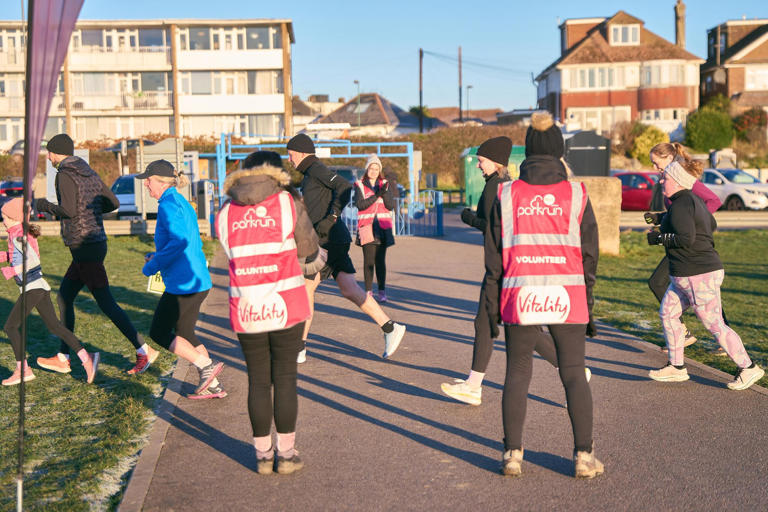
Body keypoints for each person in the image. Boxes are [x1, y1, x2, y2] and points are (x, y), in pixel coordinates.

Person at [484, 111, 603, 478]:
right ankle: (583, 456)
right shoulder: (576, 194)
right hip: (568, 295)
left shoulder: (506, 194)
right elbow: (589, 255)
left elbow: (493, 258)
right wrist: (589, 304)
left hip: (519, 295)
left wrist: (492, 307)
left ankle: (512, 454)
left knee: (517, 373)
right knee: (573, 374)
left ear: (529, 149)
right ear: (559, 150)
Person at [441, 136, 579, 407]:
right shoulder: (508, 185)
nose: (478, 165)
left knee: (484, 322)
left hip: (502, 267)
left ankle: (473, 386)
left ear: (495, 162)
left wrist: (469, 218)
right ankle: (573, 371)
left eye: (481, 161)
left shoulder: (495, 187)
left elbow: (493, 228)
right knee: (525, 326)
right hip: (515, 265)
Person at [216, 151, 326, 474]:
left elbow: (230, 251)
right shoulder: (287, 203)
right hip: (284, 303)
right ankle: (287, 455)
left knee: (258, 381)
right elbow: (308, 249)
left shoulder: (225, 211)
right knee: (285, 378)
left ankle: (263, 456)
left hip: (246, 306)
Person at [34, 134, 159, 375]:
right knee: (64, 297)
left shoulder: (64, 174)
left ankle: (144, 349)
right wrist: (89, 212)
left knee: (106, 302)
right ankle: (63, 356)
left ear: (57, 152)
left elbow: (68, 210)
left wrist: (43, 205)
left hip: (84, 245)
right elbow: (112, 202)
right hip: (95, 242)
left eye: (49, 152)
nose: (48, 157)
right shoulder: (88, 171)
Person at [286, 134, 406, 362]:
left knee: (306, 288)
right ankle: (390, 327)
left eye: (291, 155)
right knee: (349, 289)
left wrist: (331, 217)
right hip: (333, 239)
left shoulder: (316, 169)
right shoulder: (310, 174)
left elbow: (343, 186)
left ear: (301, 153)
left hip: (328, 239)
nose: (289, 160)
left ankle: (299, 348)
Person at [646, 157, 764, 390]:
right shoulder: (691, 200)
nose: (661, 181)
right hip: (687, 275)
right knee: (668, 313)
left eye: (665, 177)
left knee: (715, 324)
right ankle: (676, 367)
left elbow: (685, 238)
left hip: (697, 275)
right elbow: (709, 224)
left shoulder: (681, 204)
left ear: (677, 181)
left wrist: (659, 237)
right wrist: (662, 219)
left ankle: (748, 367)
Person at [137, 160, 224, 399]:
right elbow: (182, 240)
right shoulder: (178, 202)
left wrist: (152, 266)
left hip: (184, 283)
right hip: (194, 279)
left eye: (148, 180)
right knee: (185, 332)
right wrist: (156, 255)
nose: (146, 184)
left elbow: (179, 241)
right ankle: (213, 385)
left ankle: (206, 367)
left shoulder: (169, 205)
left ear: (161, 182)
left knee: (159, 332)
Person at [1, 198, 99, 386]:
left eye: (4, 217)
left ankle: (23, 370)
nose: (3, 220)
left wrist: (12, 270)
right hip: (38, 287)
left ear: (14, 218)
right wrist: (4, 257)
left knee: (10, 327)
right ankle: (87, 358)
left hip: (32, 288)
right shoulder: (18, 234)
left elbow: (33, 261)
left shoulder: (19, 236)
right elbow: (17, 256)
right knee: (55, 327)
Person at [646, 142, 728, 355]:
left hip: (690, 244)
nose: (654, 167)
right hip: (681, 244)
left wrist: (698, 222)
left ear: (668, 158)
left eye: (656, 162)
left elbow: (713, 201)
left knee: (658, 282)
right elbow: (679, 212)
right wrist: (660, 218)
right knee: (704, 294)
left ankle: (688, 334)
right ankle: (701, 334)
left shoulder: (682, 177)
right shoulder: (667, 179)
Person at [353, 154, 395, 303]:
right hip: (367, 227)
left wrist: (384, 193)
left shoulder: (385, 184)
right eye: (371, 168)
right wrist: (377, 195)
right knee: (368, 262)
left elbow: (390, 206)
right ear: (367, 169)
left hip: (382, 228)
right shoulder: (359, 185)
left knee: (380, 262)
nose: (374, 171)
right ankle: (368, 292)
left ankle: (382, 291)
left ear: (379, 171)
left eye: (377, 169)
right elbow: (360, 205)